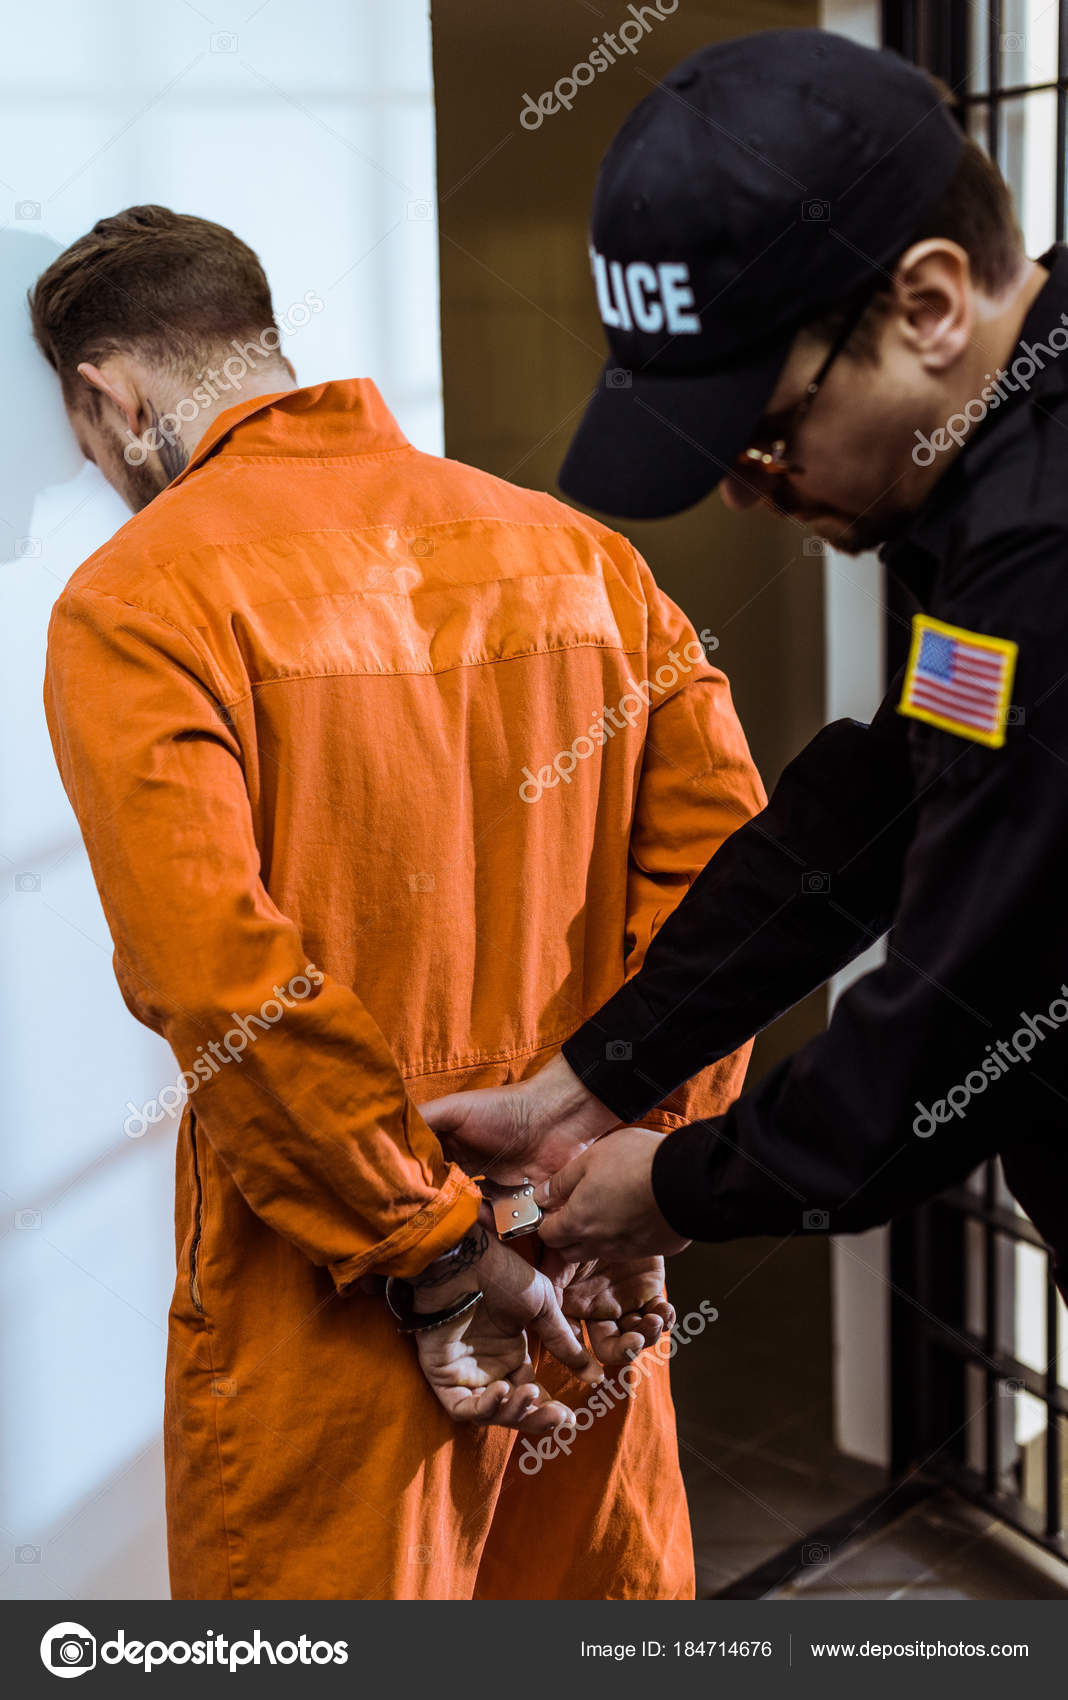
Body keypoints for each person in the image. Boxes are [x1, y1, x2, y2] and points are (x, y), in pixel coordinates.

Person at [35, 205, 765, 1599]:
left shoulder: (137, 601)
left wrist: (431, 1252)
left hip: (335, 1299)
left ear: (109, 396)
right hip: (583, 1263)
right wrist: (640, 1159)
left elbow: (218, 976)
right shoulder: (580, 557)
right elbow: (733, 883)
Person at [421, 29, 1068, 1299]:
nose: (745, 494)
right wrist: (591, 1079)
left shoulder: (1043, 547)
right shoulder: (1000, 449)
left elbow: (962, 1009)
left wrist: (675, 1187)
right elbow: (888, 799)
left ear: (929, 304)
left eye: (766, 438)